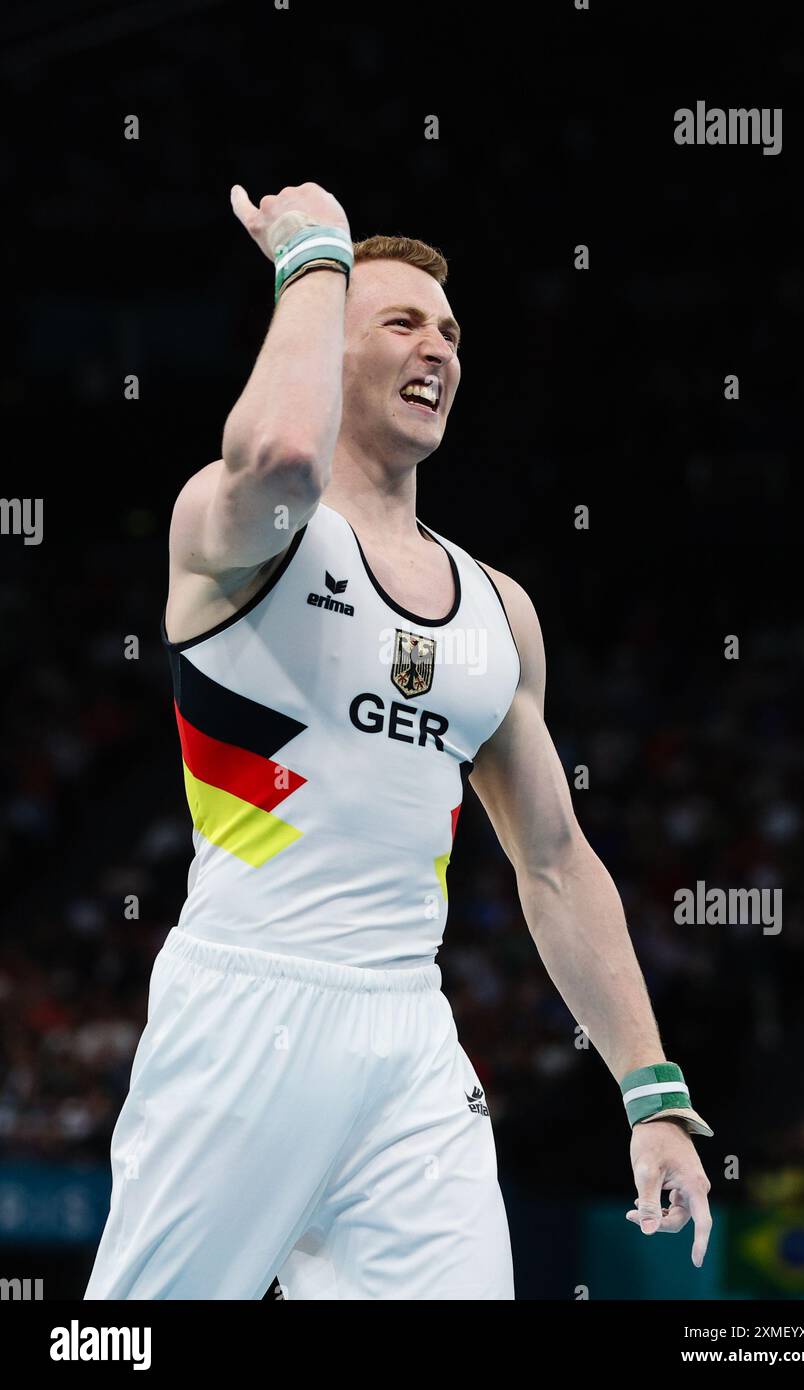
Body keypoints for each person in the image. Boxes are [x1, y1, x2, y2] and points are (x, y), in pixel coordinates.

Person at [84, 182, 713, 1301]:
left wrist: (649, 1092)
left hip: (409, 1036)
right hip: (245, 1018)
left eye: (451, 331)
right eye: (401, 322)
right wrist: (314, 253)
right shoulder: (236, 533)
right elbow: (280, 450)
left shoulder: (495, 610)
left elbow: (554, 862)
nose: (438, 348)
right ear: (322, 338)